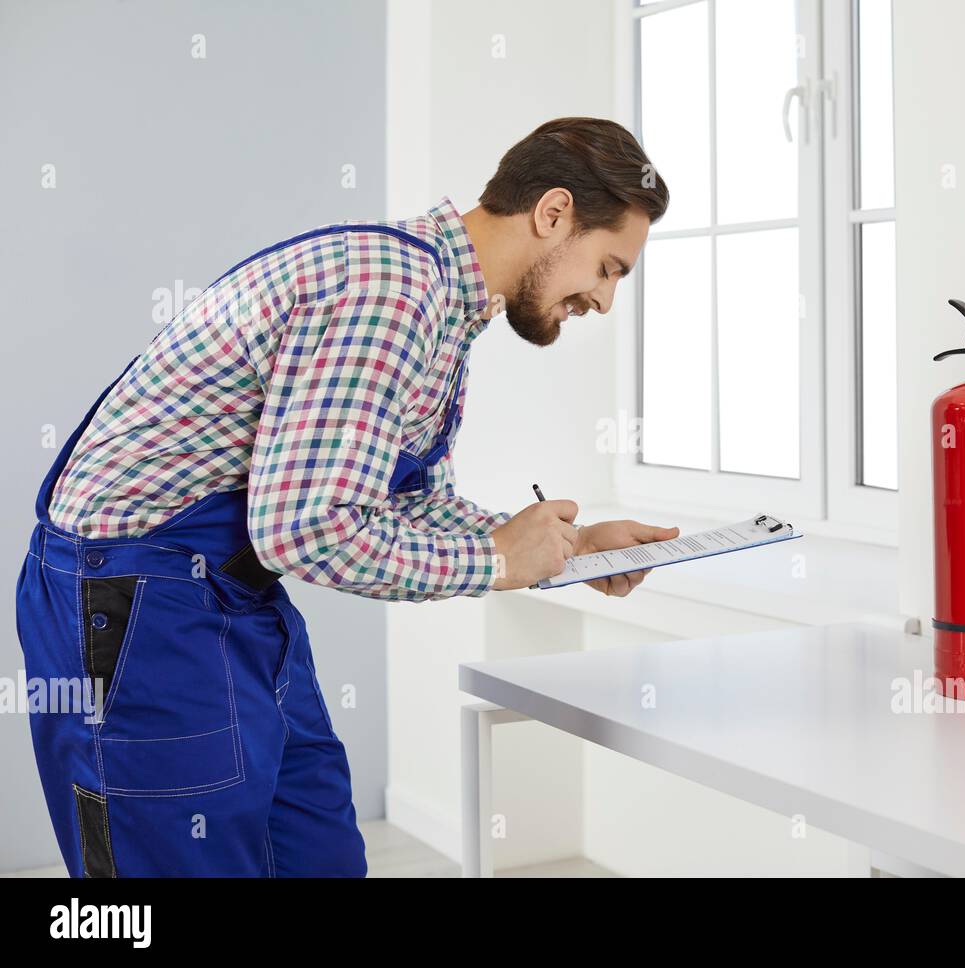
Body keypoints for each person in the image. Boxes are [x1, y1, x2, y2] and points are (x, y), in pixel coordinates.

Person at [16, 117, 676, 877]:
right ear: (554, 213)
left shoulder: (445, 305)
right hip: (135, 605)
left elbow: (401, 502)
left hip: (231, 594)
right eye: (609, 267)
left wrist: (569, 547)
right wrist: (495, 565)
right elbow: (305, 532)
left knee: (314, 848)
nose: (603, 298)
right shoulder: (388, 288)